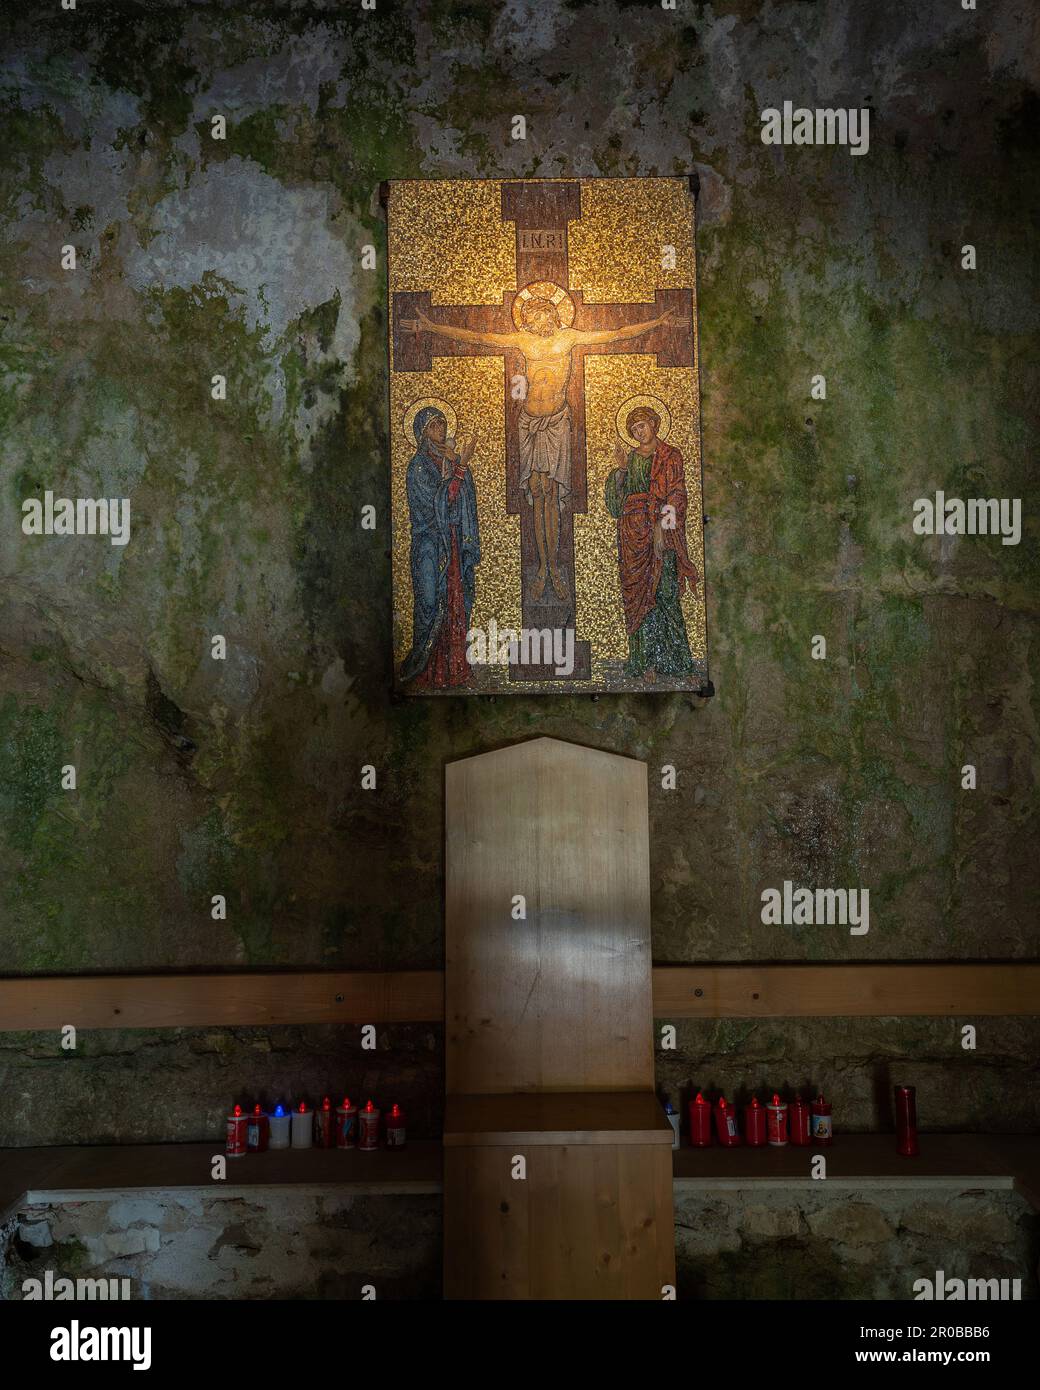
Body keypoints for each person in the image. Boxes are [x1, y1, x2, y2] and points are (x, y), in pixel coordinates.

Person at [416, 296, 676, 602]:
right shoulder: (524, 341)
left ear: (553, 315)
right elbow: (480, 337)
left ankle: (553, 567)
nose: (542, 322)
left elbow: (617, 332)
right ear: (530, 320)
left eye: (545, 315)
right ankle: (542, 568)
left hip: (556, 423)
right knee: (537, 494)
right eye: (536, 317)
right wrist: (432, 326)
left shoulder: (568, 338)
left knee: (552, 495)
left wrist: (657, 323)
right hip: (529, 424)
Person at [605, 405, 698, 681]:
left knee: (666, 594)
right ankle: (645, 663)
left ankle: (680, 663)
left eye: (642, 426)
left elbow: (678, 495)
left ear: (654, 425)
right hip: (632, 536)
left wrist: (662, 525)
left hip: (660, 534)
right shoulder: (630, 460)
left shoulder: (671, 456)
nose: (639, 432)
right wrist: (621, 471)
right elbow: (615, 505)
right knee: (639, 597)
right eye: (634, 430)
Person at [399, 405, 480, 689]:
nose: (441, 430)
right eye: (434, 425)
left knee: (456, 601)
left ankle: (453, 668)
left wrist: (459, 467)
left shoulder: (450, 458)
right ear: (422, 432)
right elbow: (435, 504)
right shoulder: (418, 466)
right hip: (430, 545)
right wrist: (458, 470)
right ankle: (423, 667)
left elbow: (463, 497)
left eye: (443, 424)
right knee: (430, 601)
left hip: (453, 543)